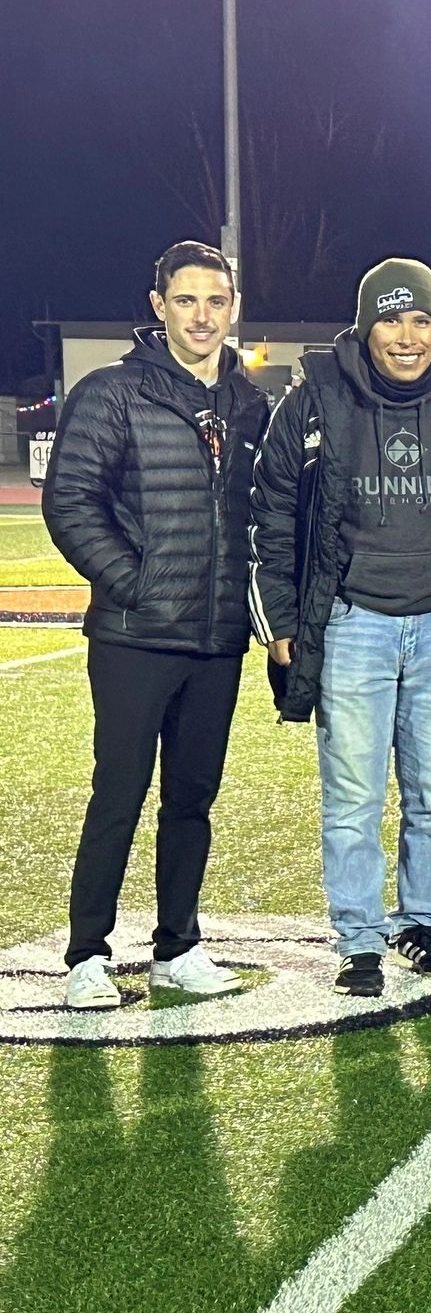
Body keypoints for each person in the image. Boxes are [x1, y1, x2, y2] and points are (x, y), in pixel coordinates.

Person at [249, 258, 431, 996]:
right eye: (391, 318)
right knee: (353, 793)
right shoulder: (316, 397)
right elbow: (269, 511)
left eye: (422, 318)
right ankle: (359, 936)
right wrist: (283, 624)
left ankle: (421, 920)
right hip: (352, 621)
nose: (408, 335)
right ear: (364, 326)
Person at [44, 241, 272, 1010]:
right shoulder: (113, 392)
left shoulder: (248, 402)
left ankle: (179, 944)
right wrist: (134, 582)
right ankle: (86, 954)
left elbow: (258, 513)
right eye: (186, 300)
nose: (202, 315)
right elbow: (70, 500)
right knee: (120, 792)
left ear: (231, 306)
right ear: (158, 306)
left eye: (215, 300)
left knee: (192, 799)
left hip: (216, 638)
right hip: (136, 635)